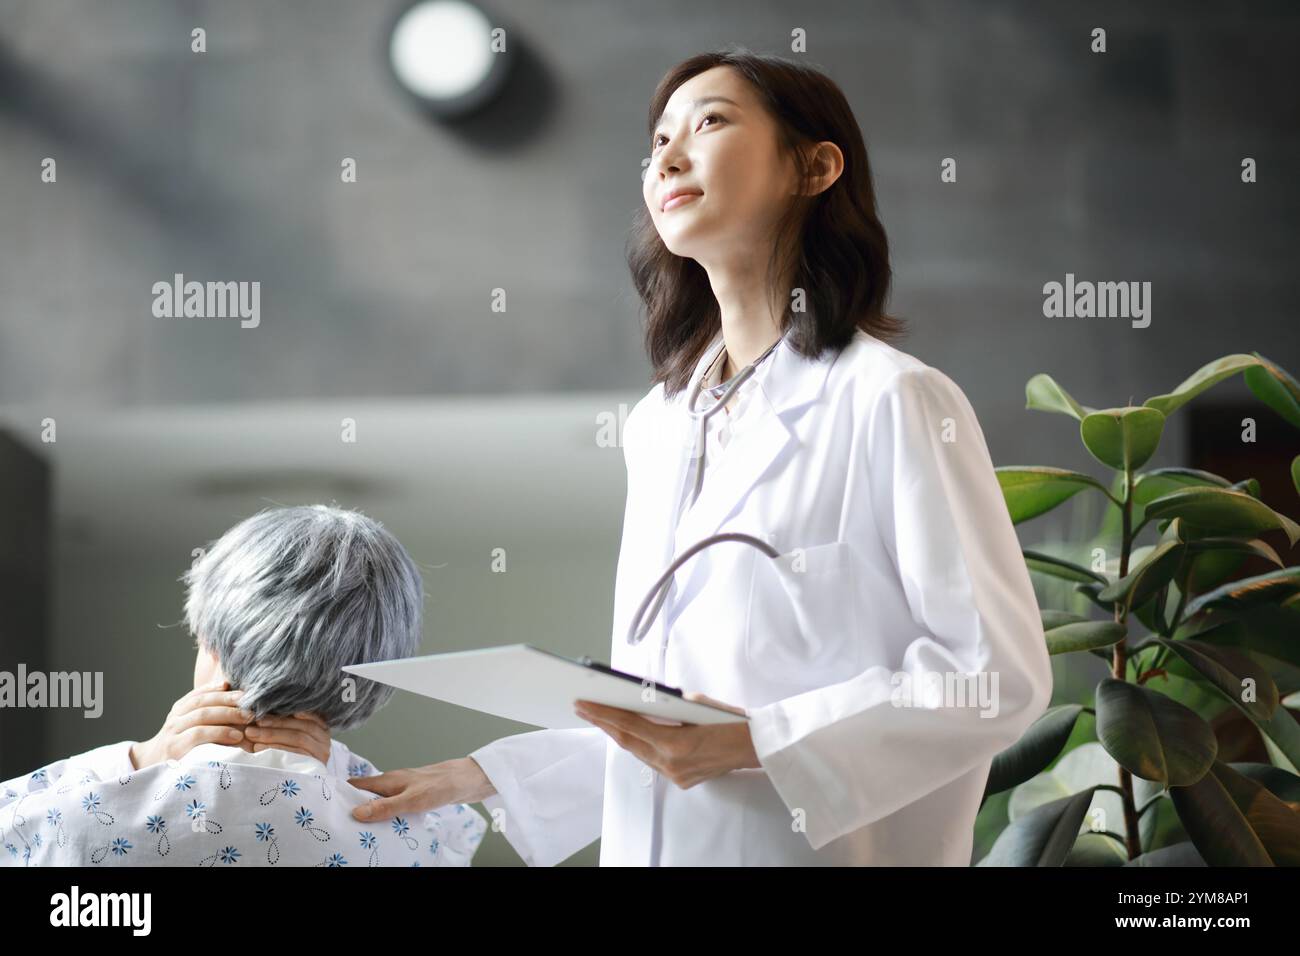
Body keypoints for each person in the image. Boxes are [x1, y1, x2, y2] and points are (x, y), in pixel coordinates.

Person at [347, 48, 1054, 866]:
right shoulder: (660, 426)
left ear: (816, 166)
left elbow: (992, 675)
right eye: (656, 143)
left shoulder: (891, 400)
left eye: (710, 122)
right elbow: (671, 729)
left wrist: (762, 740)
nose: (668, 158)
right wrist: (479, 775)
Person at [0, 505, 486, 867]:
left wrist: (135, 762)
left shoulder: (70, 824)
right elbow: (462, 835)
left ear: (210, 643)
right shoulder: (416, 838)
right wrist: (343, 770)